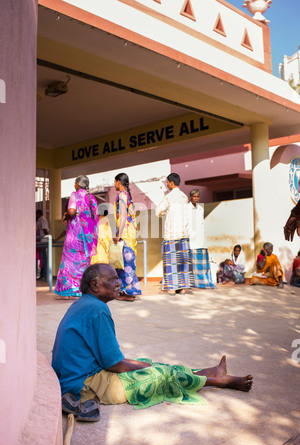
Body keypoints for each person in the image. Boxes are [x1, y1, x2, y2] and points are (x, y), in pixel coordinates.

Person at [51, 263, 253, 420]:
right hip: (85, 385)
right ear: (95, 285)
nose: (118, 283)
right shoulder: (97, 309)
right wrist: (146, 366)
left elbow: (109, 358)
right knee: (155, 372)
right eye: (112, 279)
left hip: (78, 377)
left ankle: (205, 373)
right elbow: (113, 363)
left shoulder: (85, 304)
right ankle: (218, 381)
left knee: (148, 363)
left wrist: (144, 364)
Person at [54, 175, 99, 299]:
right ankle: (81, 290)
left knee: (69, 262)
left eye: (75, 183)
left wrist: (66, 216)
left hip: (75, 236)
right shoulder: (92, 199)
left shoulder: (75, 195)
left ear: (77, 184)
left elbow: (72, 211)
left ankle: (69, 290)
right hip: (88, 240)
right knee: (83, 264)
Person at [155, 173, 191, 295]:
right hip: (184, 235)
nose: (166, 184)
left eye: (167, 182)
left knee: (171, 262)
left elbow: (157, 211)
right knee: (183, 262)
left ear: (171, 182)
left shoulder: (169, 197)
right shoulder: (184, 197)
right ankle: (183, 287)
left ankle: (171, 287)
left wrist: (163, 214)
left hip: (171, 235)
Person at [113, 173, 141, 301]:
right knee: (127, 263)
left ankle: (128, 293)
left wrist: (118, 234)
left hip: (125, 234)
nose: (114, 184)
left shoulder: (122, 195)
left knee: (124, 264)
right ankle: (129, 291)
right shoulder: (128, 196)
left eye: (115, 182)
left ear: (118, 182)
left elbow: (123, 216)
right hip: (131, 234)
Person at [187, 189, 215, 289]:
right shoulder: (187, 208)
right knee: (193, 264)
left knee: (203, 265)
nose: (196, 198)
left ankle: (204, 282)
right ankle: (194, 283)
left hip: (201, 240)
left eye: (197, 197)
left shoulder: (200, 209)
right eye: (194, 197)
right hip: (192, 241)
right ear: (190, 197)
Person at [36, 209, 50, 280]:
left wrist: (49, 238)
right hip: (41, 240)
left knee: (44, 258)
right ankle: (42, 274)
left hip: (44, 240)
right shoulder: (39, 220)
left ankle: (44, 275)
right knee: (42, 258)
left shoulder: (42, 220)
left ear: (39, 214)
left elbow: (45, 230)